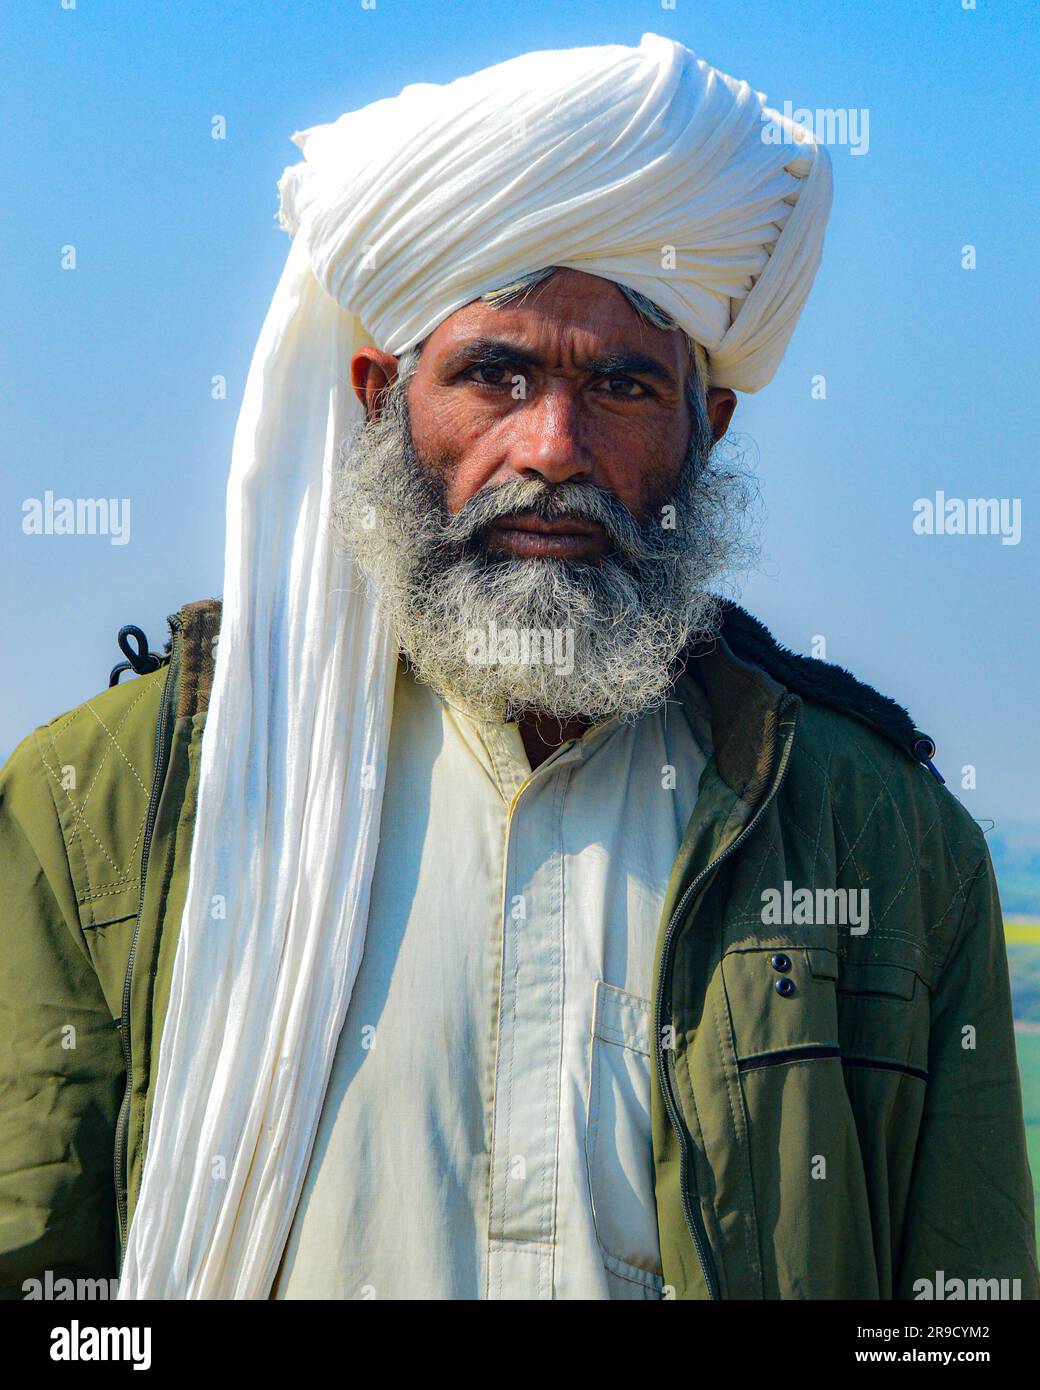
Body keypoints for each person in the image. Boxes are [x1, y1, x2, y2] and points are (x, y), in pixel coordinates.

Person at [1, 34, 1035, 1302]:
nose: (553, 446)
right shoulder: (110, 806)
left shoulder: (880, 834)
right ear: (379, 394)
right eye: (495, 374)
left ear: (705, 426)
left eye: (620, 385)